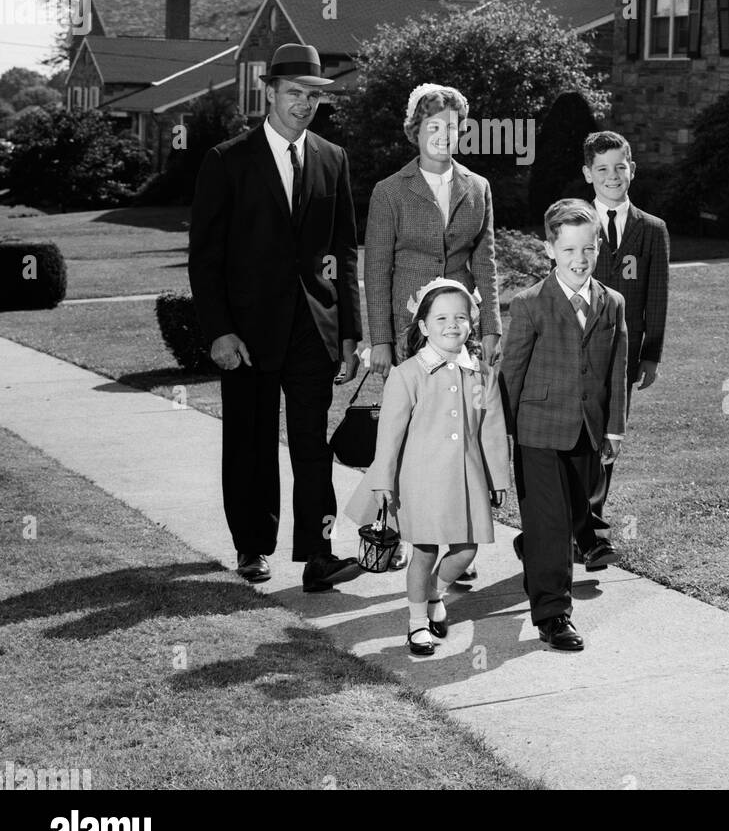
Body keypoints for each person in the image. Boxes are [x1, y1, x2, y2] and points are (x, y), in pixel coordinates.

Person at [188, 42, 364, 592]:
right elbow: (205, 256)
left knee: (311, 441)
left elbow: (345, 250)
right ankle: (251, 546)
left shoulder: (333, 159)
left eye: (313, 95)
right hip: (247, 333)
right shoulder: (227, 160)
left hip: (315, 327)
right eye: (294, 93)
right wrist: (218, 329)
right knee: (250, 440)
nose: (304, 104)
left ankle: (318, 553)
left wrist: (350, 332)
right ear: (269, 92)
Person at [364, 82, 502, 581]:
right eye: (433, 127)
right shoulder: (389, 191)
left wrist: (490, 328)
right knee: (408, 438)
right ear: (415, 131)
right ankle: (407, 534)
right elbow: (376, 268)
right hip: (408, 334)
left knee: (459, 433)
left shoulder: (478, 187)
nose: (443, 135)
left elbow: (484, 260)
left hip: (459, 332)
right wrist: (380, 338)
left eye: (452, 127)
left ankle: (458, 540)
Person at [346, 279, 510, 657]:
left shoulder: (481, 373)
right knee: (424, 551)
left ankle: (435, 593)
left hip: (467, 479)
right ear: (423, 326)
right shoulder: (408, 375)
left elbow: (492, 428)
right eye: (441, 318)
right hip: (420, 481)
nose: (452, 325)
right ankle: (417, 622)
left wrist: (498, 476)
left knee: (467, 548)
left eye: (460, 317)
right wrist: (383, 479)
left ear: (471, 322)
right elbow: (389, 434)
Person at [500, 199, 628, 652]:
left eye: (588, 249)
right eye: (569, 249)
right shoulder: (530, 304)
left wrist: (614, 428)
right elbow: (510, 375)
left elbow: (616, 369)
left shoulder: (612, 303)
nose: (580, 259)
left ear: (598, 249)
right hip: (537, 431)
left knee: (575, 515)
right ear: (551, 249)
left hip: (588, 432)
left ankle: (534, 553)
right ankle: (554, 613)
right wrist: (501, 437)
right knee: (552, 523)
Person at [575, 130, 669, 564]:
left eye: (620, 167)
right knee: (575, 439)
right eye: (602, 169)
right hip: (576, 354)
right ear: (588, 175)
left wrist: (651, 353)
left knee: (609, 438)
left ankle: (592, 527)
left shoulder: (651, 230)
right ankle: (575, 526)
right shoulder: (575, 224)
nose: (612, 176)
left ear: (632, 169)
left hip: (624, 355)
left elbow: (656, 296)